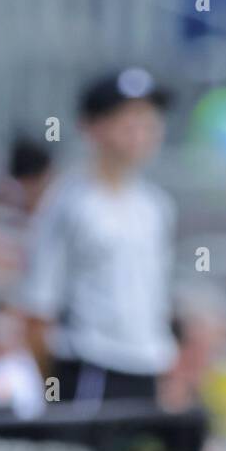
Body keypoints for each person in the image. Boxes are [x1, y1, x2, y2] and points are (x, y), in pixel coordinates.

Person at [19, 68, 177, 404]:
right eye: (128, 120)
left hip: (147, 368)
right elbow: (37, 309)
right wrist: (54, 388)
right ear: (92, 127)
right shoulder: (68, 202)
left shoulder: (156, 206)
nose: (142, 132)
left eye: (149, 120)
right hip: (92, 368)